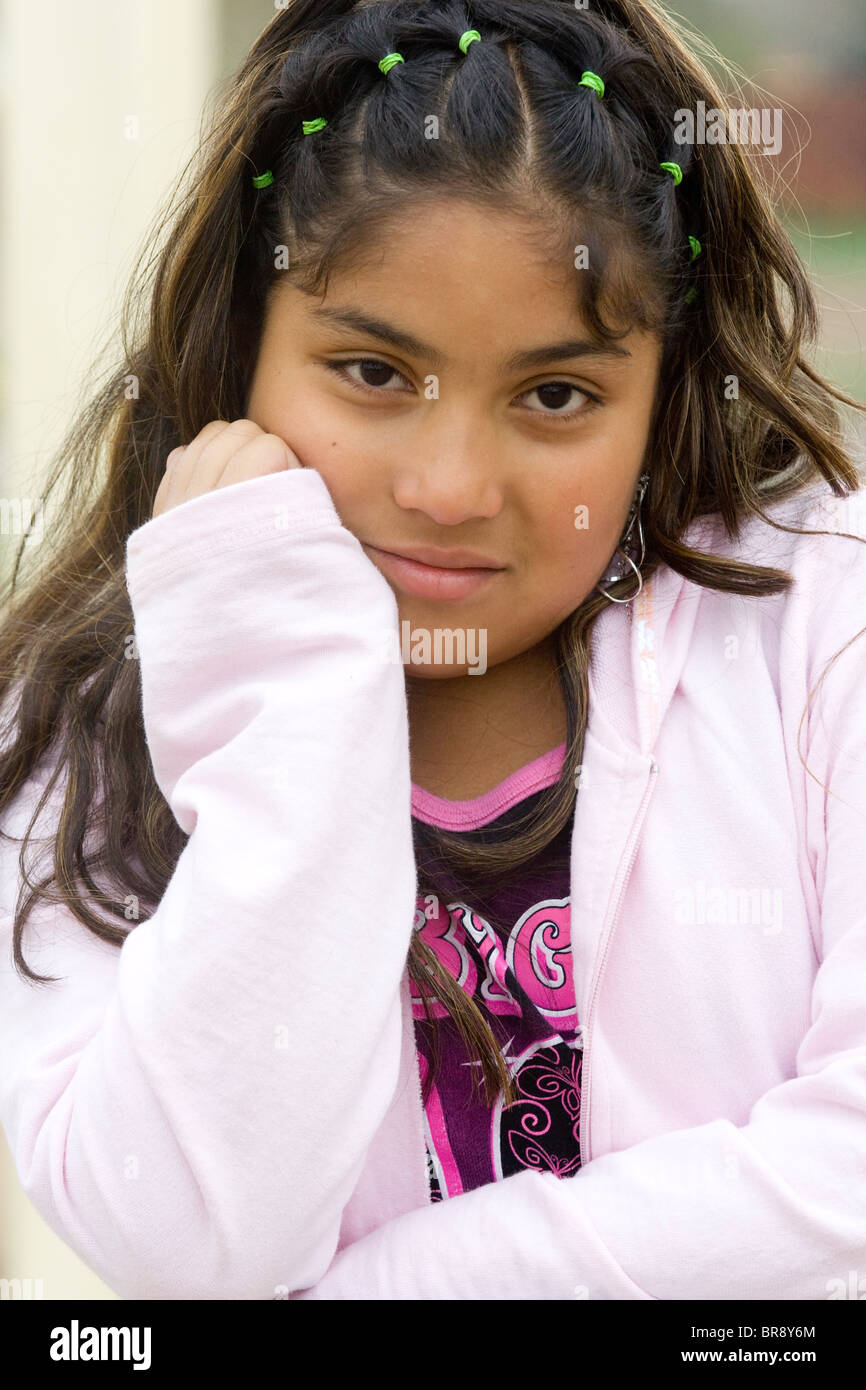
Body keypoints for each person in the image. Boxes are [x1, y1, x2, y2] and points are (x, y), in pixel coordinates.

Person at [1, 0, 865, 1302]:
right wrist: (280, 690)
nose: (451, 485)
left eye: (555, 395)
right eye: (369, 372)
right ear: (241, 344)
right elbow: (194, 1248)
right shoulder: (75, 726)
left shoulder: (820, 628)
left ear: (663, 392)